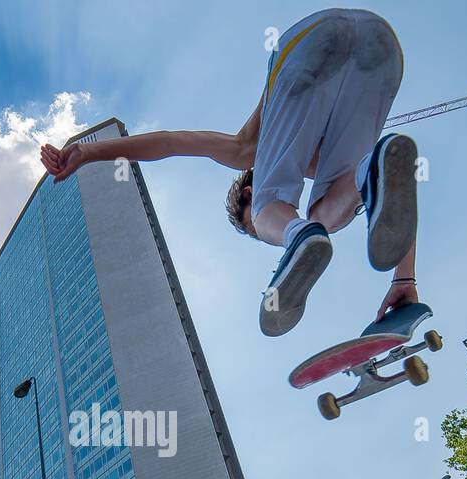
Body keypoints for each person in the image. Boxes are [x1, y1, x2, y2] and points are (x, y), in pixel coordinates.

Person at [40, 8, 418, 338]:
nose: (279, 221)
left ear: (248, 193)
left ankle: (299, 237)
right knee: (342, 202)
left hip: (311, 40)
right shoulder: (323, 168)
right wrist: (404, 277)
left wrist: (90, 151)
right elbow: (396, 189)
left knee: (302, 220)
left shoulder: (246, 150)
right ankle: (332, 209)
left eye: (259, 227)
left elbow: (172, 142)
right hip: (383, 46)